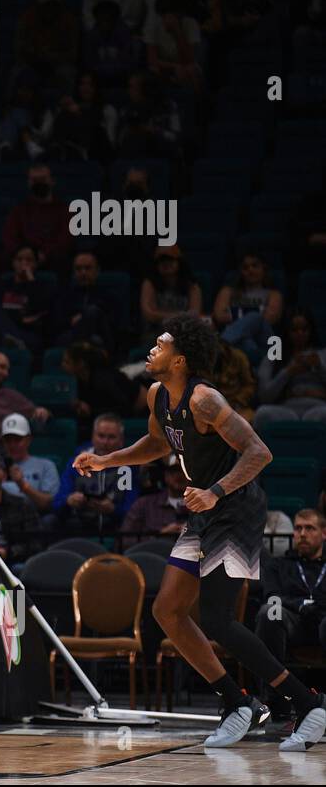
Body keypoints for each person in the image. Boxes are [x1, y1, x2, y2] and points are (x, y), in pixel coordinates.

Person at [73, 314, 325, 750]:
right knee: (168, 610)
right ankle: (238, 703)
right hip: (205, 509)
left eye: (162, 343)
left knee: (218, 619)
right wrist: (105, 460)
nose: (153, 347)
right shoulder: (157, 395)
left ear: (181, 360)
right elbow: (157, 444)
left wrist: (214, 491)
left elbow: (259, 452)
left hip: (236, 508)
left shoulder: (205, 400)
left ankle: (310, 703)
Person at [255, 510, 326, 717]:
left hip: (323, 621)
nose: (302, 534)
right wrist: (301, 604)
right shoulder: (279, 564)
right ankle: (275, 699)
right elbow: (273, 597)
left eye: (309, 528)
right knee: (270, 612)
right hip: (294, 622)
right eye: (298, 528)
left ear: (323, 533)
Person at [52, 413, 138, 536]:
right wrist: (69, 500)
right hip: (79, 528)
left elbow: (133, 510)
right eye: (101, 436)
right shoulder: (76, 462)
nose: (105, 442)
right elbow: (57, 504)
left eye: (111, 437)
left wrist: (114, 510)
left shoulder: (130, 466)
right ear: (92, 437)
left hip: (116, 530)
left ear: (121, 440)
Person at [254, 308, 326, 427]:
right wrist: (288, 372)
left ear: (311, 330)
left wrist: (320, 367)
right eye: (294, 330)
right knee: (262, 413)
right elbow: (264, 396)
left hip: (319, 407)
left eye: (304, 329)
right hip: (286, 410)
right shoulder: (274, 356)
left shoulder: (323, 354)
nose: (300, 334)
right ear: (286, 331)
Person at [212, 252, 282, 366]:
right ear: (240, 272)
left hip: (264, 341)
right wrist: (257, 311)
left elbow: (268, 319)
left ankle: (223, 344)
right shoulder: (228, 291)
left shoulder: (273, 294)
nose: (250, 270)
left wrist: (235, 314)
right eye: (245, 267)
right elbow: (219, 316)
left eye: (255, 266)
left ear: (263, 268)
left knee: (255, 317)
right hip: (239, 344)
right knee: (247, 341)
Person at [120, 454, 191, 544]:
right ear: (165, 475)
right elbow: (123, 541)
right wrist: (158, 537)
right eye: (174, 471)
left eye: (184, 472)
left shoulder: (202, 505)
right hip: (152, 555)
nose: (179, 476)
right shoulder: (144, 504)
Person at [0, 413, 59, 515]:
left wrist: (22, 484)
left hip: (35, 523)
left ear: (28, 440)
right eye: (8, 440)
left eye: (17, 440)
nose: (12, 445)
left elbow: (47, 504)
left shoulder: (46, 466)